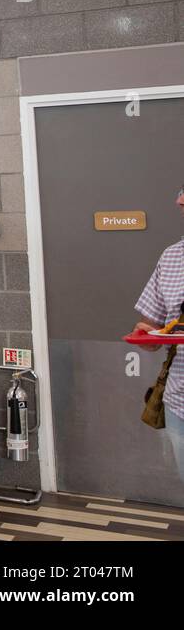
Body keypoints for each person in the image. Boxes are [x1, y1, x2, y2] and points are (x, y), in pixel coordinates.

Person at [133, 184, 184, 476]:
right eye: (180, 192)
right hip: (179, 399)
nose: (179, 200)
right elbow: (153, 327)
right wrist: (148, 336)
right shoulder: (171, 257)